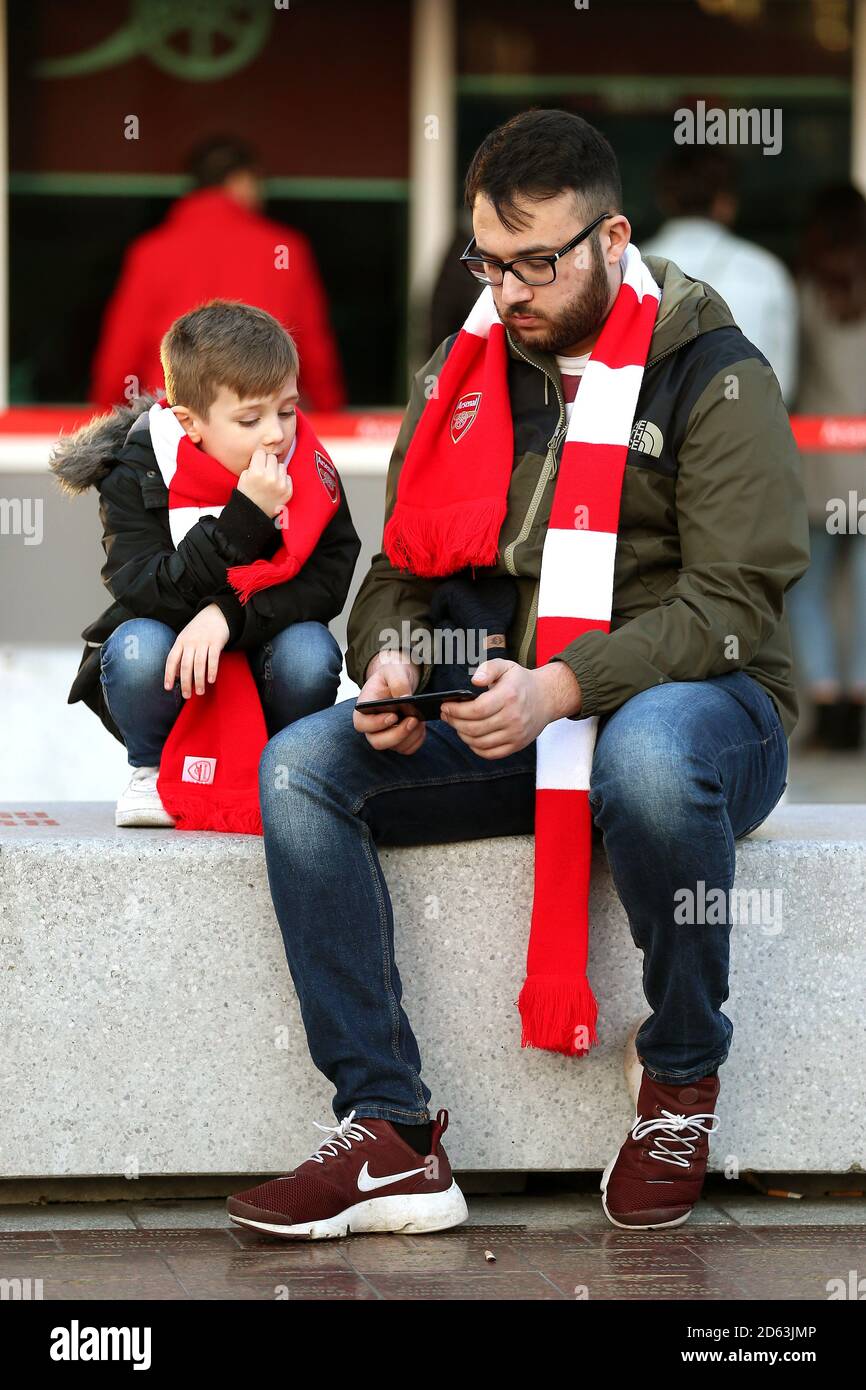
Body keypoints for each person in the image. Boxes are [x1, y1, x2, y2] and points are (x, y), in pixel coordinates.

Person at [226, 109, 810, 1241]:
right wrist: (389, 657)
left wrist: (562, 685)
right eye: (487, 263)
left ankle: (679, 1082)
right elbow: (396, 566)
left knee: (644, 757)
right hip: (508, 710)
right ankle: (390, 1134)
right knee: (301, 764)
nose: (507, 291)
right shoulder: (463, 367)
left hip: (700, 713)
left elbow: (732, 607)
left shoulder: (712, 373)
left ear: (611, 236)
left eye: (535, 262)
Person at [51, 300, 360, 828]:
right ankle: (151, 768)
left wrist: (227, 616)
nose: (276, 435)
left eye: (286, 410)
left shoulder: (308, 468)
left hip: (262, 649)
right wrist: (246, 518)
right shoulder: (136, 470)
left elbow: (325, 585)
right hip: (173, 657)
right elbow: (147, 590)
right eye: (250, 419)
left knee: (310, 650)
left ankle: (283, 768)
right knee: (136, 647)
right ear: (190, 423)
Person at [89, 136, 346, 413]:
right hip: (260, 426)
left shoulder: (151, 251)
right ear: (241, 180)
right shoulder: (284, 249)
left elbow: (120, 357)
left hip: (174, 423)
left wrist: (105, 422)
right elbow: (314, 354)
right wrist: (329, 414)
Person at [785, 182, 866, 751]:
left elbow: (784, 378)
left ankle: (826, 701)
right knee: (865, 589)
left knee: (808, 591)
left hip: (817, 456)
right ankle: (858, 702)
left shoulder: (803, 292)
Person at [642, 147, 799, 407]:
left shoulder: (630, 266)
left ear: (664, 199)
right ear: (726, 202)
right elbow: (783, 384)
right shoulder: (766, 271)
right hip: (745, 430)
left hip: (649, 439)